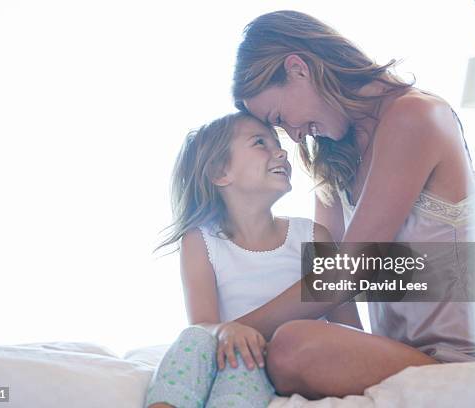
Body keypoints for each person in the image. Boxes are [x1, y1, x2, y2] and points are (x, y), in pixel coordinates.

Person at [231, 10, 475, 398]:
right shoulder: (334, 155)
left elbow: (349, 271)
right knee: (282, 347)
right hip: (396, 352)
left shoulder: (415, 115)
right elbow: (330, 276)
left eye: (281, 117)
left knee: (289, 347)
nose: (295, 137)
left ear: (299, 69)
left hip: (452, 359)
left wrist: (232, 329)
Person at [145, 112, 359, 408]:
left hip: (292, 360)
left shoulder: (312, 236)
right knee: (197, 341)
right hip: (233, 351)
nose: (282, 152)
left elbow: (351, 332)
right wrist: (226, 330)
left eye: (278, 143)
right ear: (221, 172)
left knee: (244, 362)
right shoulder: (200, 241)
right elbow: (202, 327)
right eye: (260, 143)